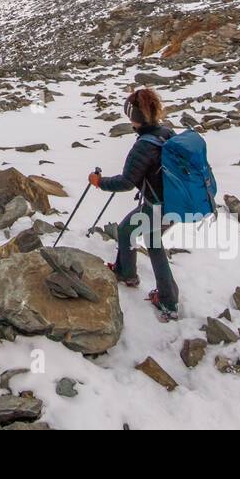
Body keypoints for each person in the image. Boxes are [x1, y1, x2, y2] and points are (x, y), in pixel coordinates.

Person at [89, 87, 180, 321]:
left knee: (126, 230)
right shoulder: (166, 133)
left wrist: (99, 182)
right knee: (151, 240)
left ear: (134, 117)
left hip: (157, 206)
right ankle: (166, 297)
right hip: (175, 203)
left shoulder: (145, 145)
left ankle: (128, 274)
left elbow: (127, 182)